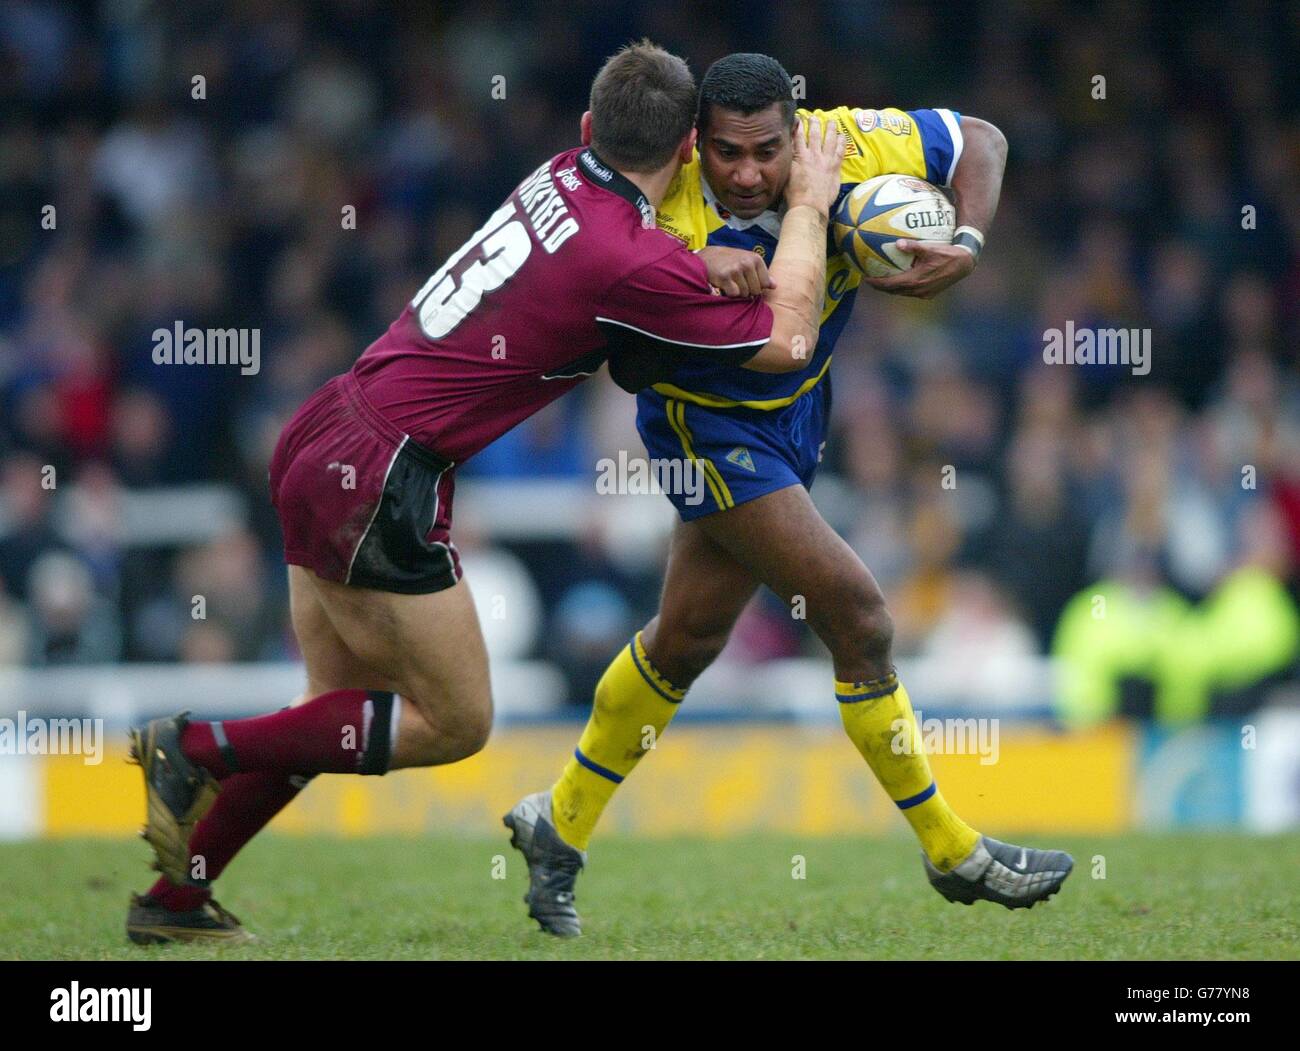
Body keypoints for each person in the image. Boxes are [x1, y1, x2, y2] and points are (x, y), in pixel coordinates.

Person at [125, 41, 848, 944]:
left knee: (329, 719)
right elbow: (784, 339)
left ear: (591, 128)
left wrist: (698, 271)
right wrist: (811, 204)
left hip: (326, 428)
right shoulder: (631, 260)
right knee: (457, 722)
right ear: (693, 150)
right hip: (384, 470)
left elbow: (599, 274)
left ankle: (177, 898)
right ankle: (193, 747)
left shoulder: (561, 175)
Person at [504, 53, 1072, 938]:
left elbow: (983, 140)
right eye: (725, 152)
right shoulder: (664, 209)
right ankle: (952, 850)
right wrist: (700, 278)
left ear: (793, 132)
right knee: (860, 616)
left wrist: (966, 241)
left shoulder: (844, 142)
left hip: (796, 422)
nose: (744, 172)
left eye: (765, 151)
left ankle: (557, 820)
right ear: (697, 143)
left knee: (684, 640)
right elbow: (625, 357)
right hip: (706, 433)